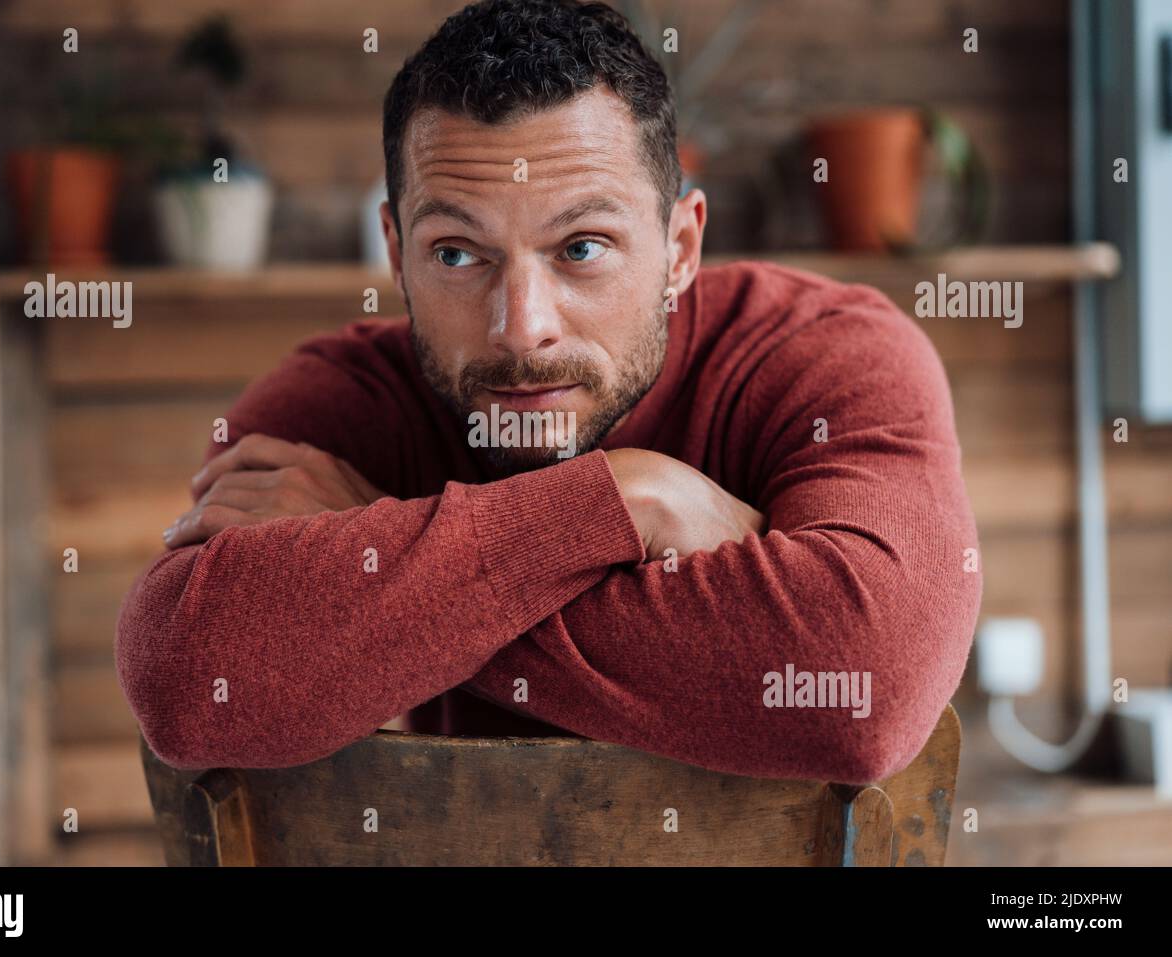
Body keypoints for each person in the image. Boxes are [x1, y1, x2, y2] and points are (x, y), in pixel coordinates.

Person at [115, 0, 981, 784]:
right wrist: (622, 499)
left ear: (680, 248)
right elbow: (186, 680)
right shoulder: (346, 401)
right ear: (397, 252)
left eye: (582, 248)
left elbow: (866, 681)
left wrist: (383, 540)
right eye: (458, 253)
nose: (520, 327)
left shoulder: (827, 354)